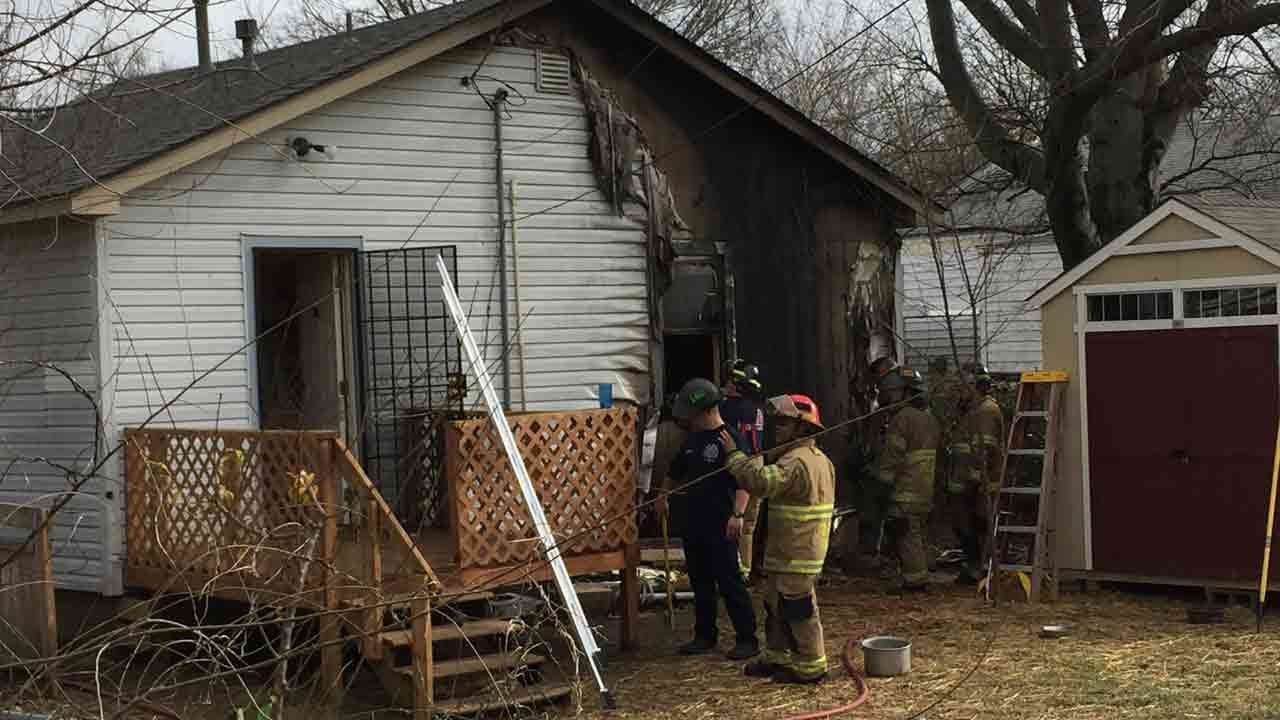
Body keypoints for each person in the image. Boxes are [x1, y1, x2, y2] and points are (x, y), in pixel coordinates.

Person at [721, 394, 835, 684]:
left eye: (784, 424)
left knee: (798, 609)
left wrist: (734, 456)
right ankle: (778, 658)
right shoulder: (817, 459)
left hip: (797, 554)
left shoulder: (797, 462)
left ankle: (811, 668)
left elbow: (760, 482)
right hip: (789, 551)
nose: (778, 430)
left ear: (803, 428)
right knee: (775, 604)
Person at [656, 378, 759, 660]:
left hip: (721, 523)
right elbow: (674, 472)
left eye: (691, 415)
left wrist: (738, 514)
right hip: (694, 522)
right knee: (700, 582)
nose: (688, 420)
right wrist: (663, 496)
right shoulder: (691, 440)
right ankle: (704, 635)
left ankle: (747, 638)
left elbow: (745, 482)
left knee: (729, 582)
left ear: (705, 411)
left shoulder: (730, 439)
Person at [876, 367, 940, 592]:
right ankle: (920, 572)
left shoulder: (902, 418)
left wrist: (882, 484)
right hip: (925, 487)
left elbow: (892, 456)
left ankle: (915, 580)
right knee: (917, 532)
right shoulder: (928, 417)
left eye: (890, 393)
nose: (885, 398)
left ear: (904, 393)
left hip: (905, 488)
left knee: (905, 532)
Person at [946, 365, 1005, 585]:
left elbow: (985, 450)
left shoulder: (986, 411)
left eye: (962, 387)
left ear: (975, 386)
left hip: (979, 485)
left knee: (978, 527)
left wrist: (974, 481)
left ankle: (979, 570)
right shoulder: (972, 410)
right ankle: (973, 567)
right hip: (964, 481)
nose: (958, 391)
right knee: (964, 526)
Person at [720, 359, 765, 578]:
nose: (726, 384)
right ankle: (744, 570)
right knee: (749, 524)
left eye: (730, 381)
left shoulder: (727, 408)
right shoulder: (758, 407)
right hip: (758, 462)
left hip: (739, 463)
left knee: (733, 518)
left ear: (737, 385)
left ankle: (730, 568)